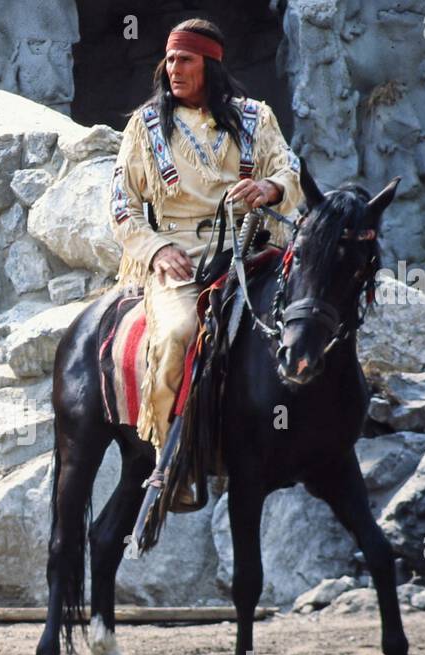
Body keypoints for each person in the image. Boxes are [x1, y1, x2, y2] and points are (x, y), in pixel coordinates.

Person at [110, 18, 304, 453]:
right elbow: (121, 206)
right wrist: (157, 250)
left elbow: (290, 170)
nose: (173, 69)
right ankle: (166, 451)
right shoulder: (146, 126)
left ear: (210, 65)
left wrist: (270, 188)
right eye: (170, 59)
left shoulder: (257, 117)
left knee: (303, 316)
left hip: (252, 249)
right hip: (181, 259)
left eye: (185, 60)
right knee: (178, 332)